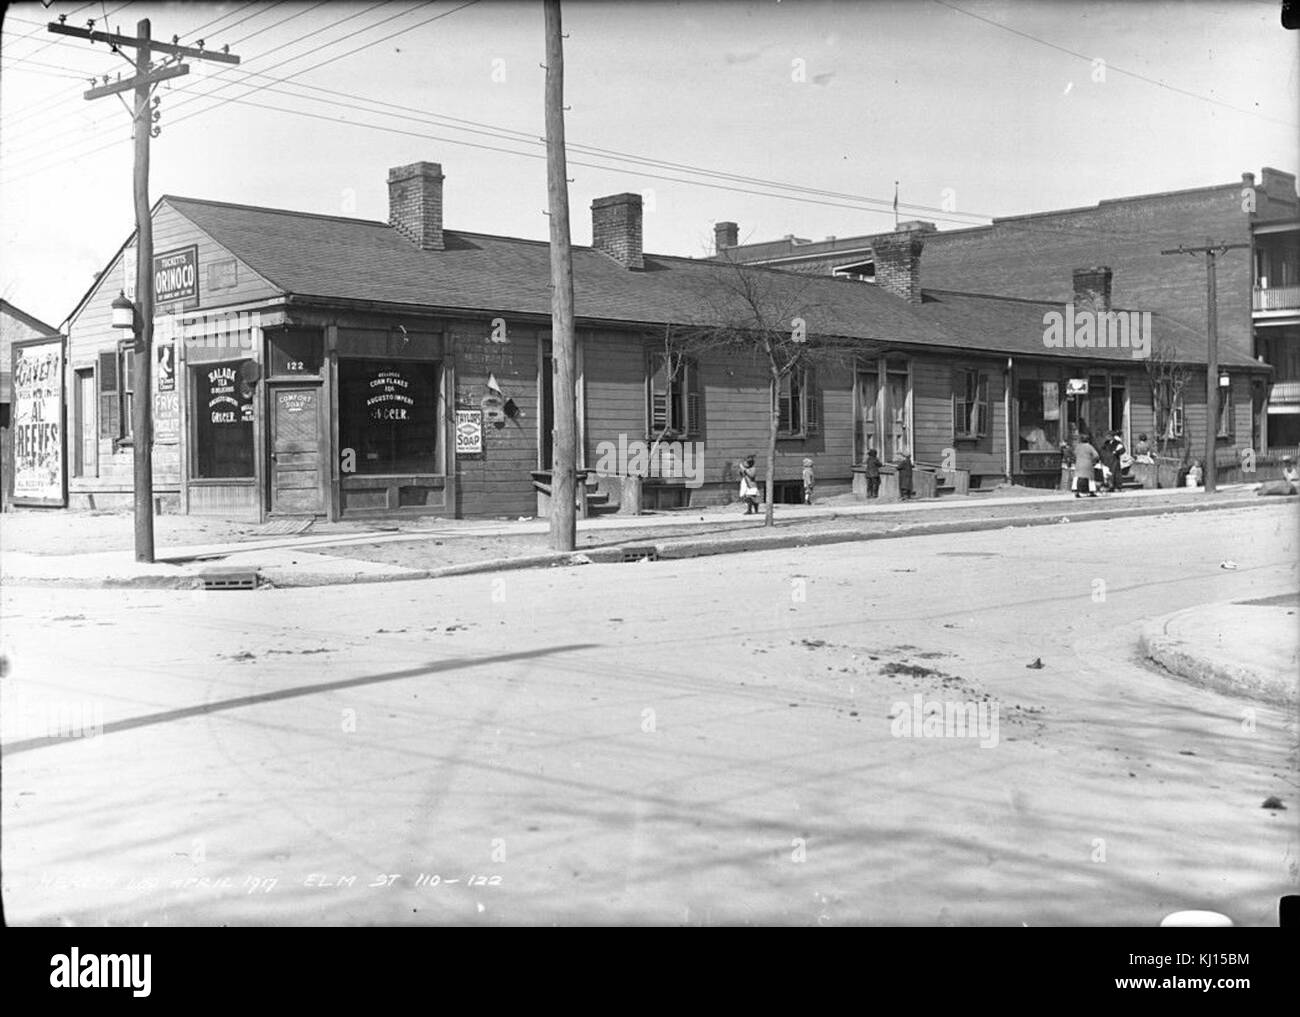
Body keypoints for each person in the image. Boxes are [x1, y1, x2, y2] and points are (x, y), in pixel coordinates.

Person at [1073, 433, 1100, 498]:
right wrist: (1094, 461)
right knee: (1090, 478)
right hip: (1088, 464)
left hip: (1079, 464)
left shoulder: (1078, 447)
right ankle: (1092, 491)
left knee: (1077, 477)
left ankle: (1076, 491)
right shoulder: (1089, 446)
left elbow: (1074, 454)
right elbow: (1096, 455)